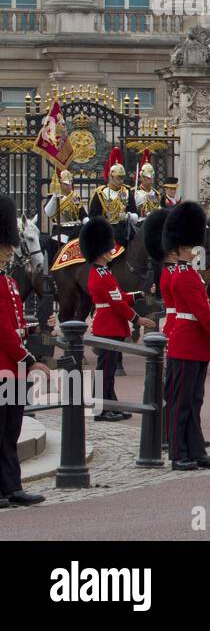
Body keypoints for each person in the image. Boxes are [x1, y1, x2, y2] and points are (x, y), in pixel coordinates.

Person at [162, 201, 210, 471]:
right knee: (182, 402)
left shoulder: (189, 273)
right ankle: (178, 453)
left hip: (194, 344)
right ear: (182, 246)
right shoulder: (183, 275)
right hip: (187, 344)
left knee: (194, 401)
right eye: (190, 246)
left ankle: (195, 450)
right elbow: (200, 314)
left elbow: (203, 307)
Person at [0, 195, 47, 507]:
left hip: (11, 366)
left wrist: (38, 326)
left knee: (11, 430)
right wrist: (30, 360)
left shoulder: (8, 281)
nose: (9, 250)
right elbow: (3, 330)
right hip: (5, 366)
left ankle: (10, 486)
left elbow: (14, 324)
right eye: (6, 245)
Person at [82, 217, 155, 421]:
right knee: (105, 370)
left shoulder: (105, 273)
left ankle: (110, 403)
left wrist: (139, 294)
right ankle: (101, 409)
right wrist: (137, 319)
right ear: (100, 251)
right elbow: (117, 304)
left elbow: (121, 296)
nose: (111, 250)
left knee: (109, 370)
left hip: (112, 324)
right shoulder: (100, 275)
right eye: (107, 248)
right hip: (108, 325)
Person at [89, 147, 137, 247]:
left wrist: (128, 216)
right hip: (106, 230)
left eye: (122, 178)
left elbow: (134, 213)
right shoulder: (101, 193)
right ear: (111, 177)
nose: (121, 181)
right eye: (118, 178)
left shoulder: (127, 191)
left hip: (124, 230)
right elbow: (93, 216)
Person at [43, 169, 87, 261]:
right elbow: (48, 213)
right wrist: (55, 197)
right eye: (66, 184)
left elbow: (82, 213)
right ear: (60, 184)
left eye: (70, 183)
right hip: (60, 230)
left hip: (75, 230)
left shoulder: (75, 196)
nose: (69, 186)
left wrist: (88, 222)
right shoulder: (52, 197)